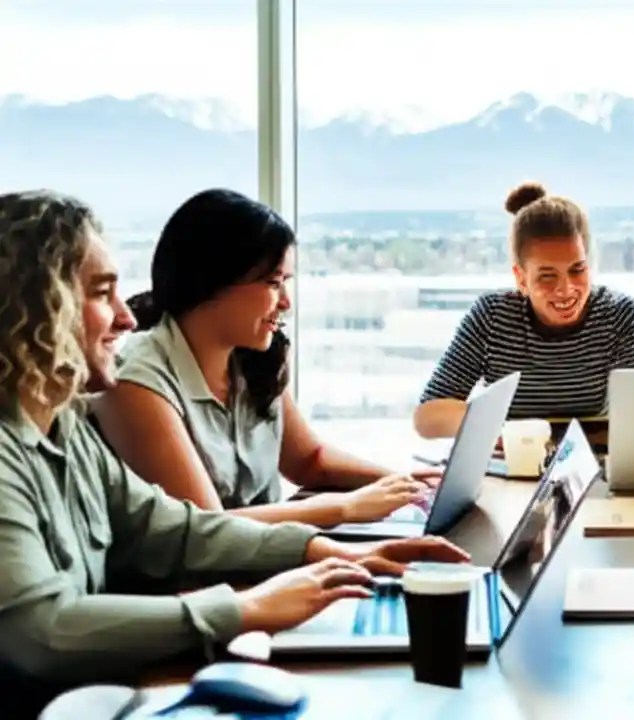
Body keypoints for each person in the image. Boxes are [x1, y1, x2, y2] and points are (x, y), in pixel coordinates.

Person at [0, 191, 469, 712]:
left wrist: (330, 551)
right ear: (36, 304)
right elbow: (42, 633)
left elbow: (171, 528)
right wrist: (244, 608)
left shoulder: (65, 426)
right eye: (101, 294)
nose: (126, 318)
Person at [93, 189, 434, 527]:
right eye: (273, 283)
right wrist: (344, 507)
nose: (285, 302)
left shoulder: (256, 359)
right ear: (211, 281)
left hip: (269, 564)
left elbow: (308, 461)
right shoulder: (136, 384)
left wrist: (405, 484)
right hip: (203, 579)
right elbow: (207, 528)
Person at [414, 181, 634, 438]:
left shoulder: (620, 314)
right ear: (521, 279)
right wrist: (508, 432)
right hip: (513, 461)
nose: (566, 289)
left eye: (577, 270)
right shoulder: (492, 316)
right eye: (547, 276)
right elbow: (428, 417)